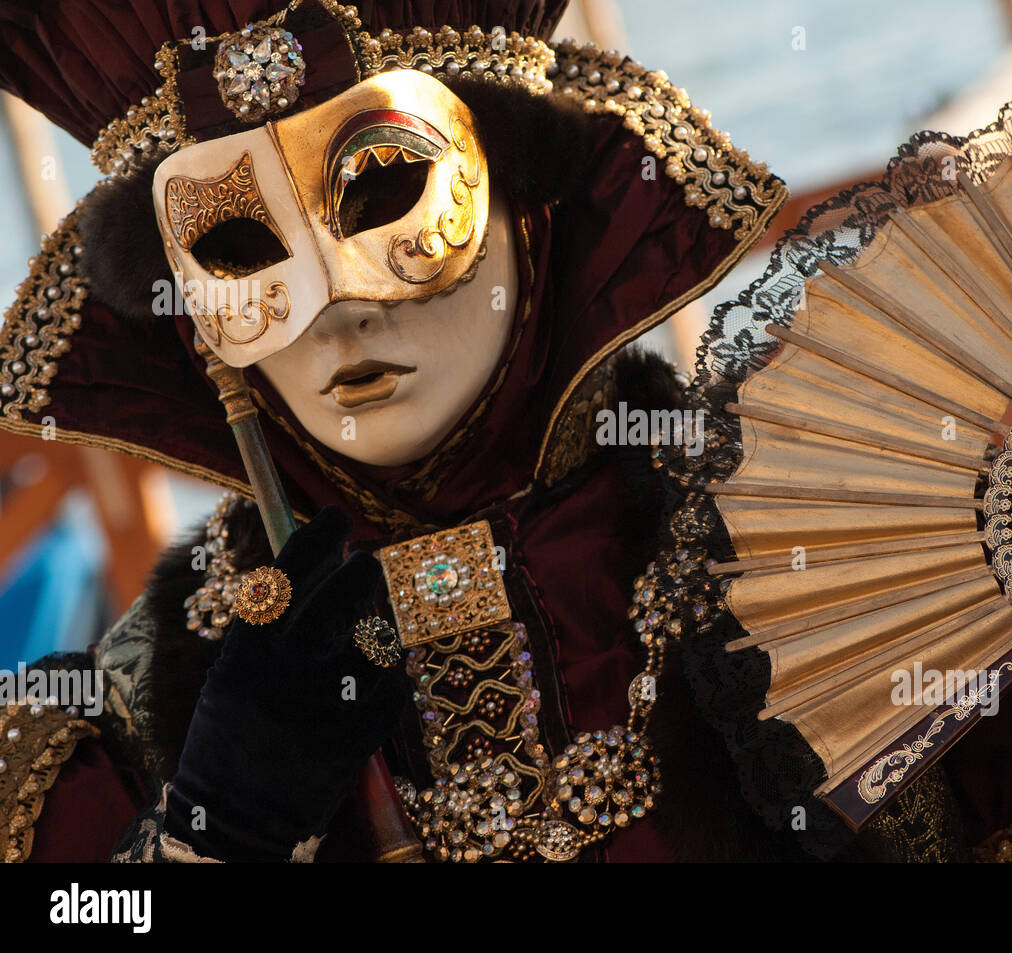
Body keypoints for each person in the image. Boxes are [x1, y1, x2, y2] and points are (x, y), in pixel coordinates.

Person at [0, 0, 833, 863]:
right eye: (241, 247)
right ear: (193, 320)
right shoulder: (116, 739)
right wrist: (212, 832)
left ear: (524, 201)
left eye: (385, 186)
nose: (333, 313)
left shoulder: (817, 553)